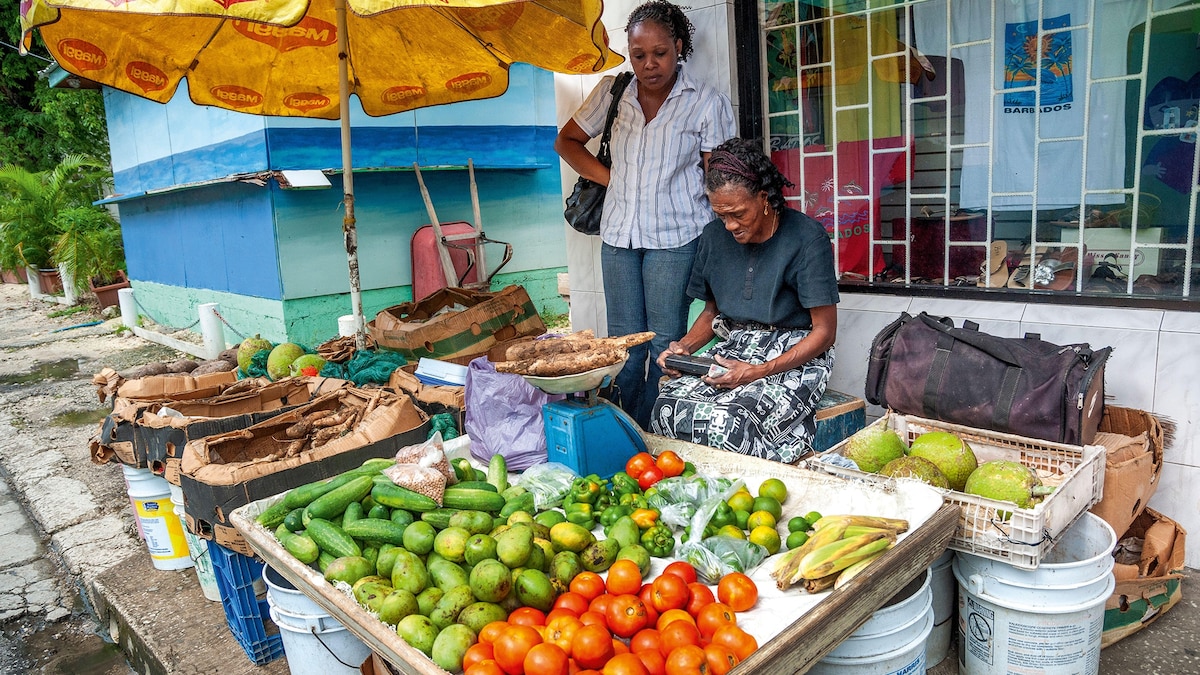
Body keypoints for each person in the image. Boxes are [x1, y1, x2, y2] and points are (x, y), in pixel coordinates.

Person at [554, 0, 735, 429]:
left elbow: (718, 177)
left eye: (660, 53)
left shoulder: (706, 102)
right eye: (639, 55)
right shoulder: (613, 92)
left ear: (679, 47)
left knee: (664, 346)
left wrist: (726, 238)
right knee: (623, 347)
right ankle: (624, 430)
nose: (649, 64)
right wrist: (611, 179)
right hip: (618, 238)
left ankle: (655, 431)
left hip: (676, 239)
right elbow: (567, 141)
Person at [650, 138, 839, 463]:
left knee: (733, 420)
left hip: (794, 354)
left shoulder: (807, 238)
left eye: (738, 214)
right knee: (668, 406)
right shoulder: (714, 237)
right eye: (721, 215)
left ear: (764, 198)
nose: (730, 225)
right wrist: (683, 349)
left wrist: (758, 371)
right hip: (735, 345)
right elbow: (711, 312)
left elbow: (824, 332)